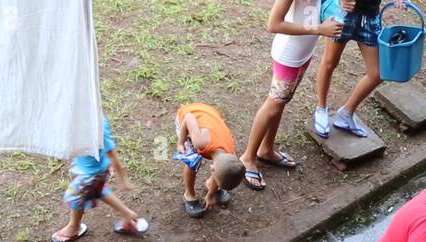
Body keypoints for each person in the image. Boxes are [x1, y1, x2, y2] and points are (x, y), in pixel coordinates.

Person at [241, 0, 341, 191]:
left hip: (303, 53)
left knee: (280, 103)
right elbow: (273, 24)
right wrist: (319, 29)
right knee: (273, 105)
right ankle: (248, 157)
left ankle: (266, 149)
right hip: (288, 56)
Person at [313, 0, 413, 138]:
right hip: (343, 13)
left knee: (377, 73)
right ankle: (321, 108)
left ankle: (346, 114)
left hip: (369, 18)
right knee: (330, 62)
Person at [51, 115, 147, 242]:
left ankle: (74, 227)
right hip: (87, 168)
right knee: (99, 190)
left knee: (75, 197)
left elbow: (112, 155)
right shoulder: (78, 117)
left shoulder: (97, 125)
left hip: (90, 174)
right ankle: (127, 214)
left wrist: (122, 180)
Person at [175, 103, 246, 218]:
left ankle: (210, 184)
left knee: (224, 169)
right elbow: (188, 117)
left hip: (210, 117)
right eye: (218, 184)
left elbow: (222, 168)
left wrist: (211, 194)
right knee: (192, 162)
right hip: (190, 115)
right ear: (211, 168)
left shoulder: (230, 154)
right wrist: (180, 143)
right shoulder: (200, 142)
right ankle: (189, 194)